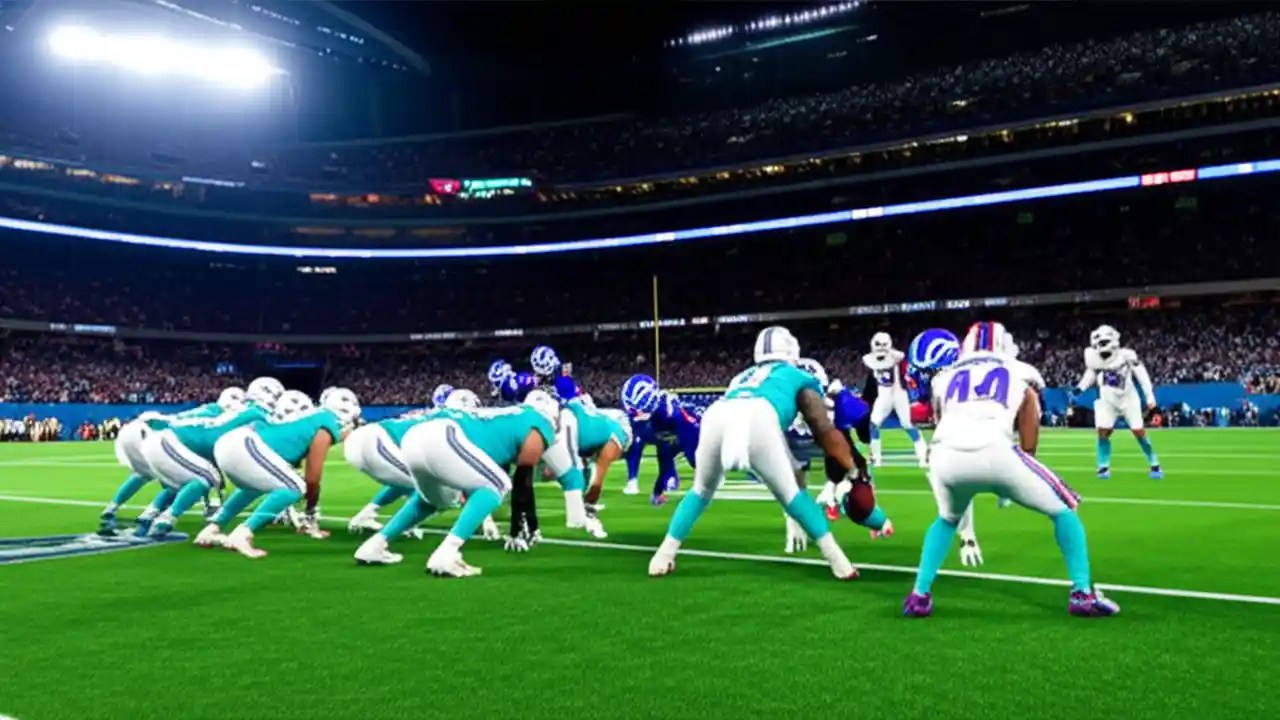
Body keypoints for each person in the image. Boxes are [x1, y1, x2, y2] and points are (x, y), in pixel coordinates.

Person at [903, 321, 1119, 618]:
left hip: (944, 458)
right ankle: (1082, 593)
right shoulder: (1021, 370)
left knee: (946, 519)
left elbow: (940, 422)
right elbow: (1029, 423)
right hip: (997, 453)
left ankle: (919, 595)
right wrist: (1019, 469)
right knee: (1064, 509)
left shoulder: (945, 377)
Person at [648, 326, 863, 581]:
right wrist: (852, 468)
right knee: (792, 497)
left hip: (717, 414)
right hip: (759, 416)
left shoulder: (741, 377)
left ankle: (664, 554)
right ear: (791, 350)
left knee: (701, 492)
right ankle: (840, 562)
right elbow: (821, 426)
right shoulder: (798, 375)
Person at [399, 390, 559, 577]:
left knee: (439, 500)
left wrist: (489, 520)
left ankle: (377, 543)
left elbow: (478, 478)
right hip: (445, 438)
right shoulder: (540, 424)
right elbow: (522, 481)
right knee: (499, 484)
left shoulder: (509, 419)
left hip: (416, 437)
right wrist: (518, 529)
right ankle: (446, 553)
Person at [195, 389, 360, 558]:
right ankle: (243, 533)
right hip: (247, 444)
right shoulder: (327, 424)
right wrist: (310, 511)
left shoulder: (311, 418)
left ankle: (211, 529)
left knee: (253, 486)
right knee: (295, 487)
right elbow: (312, 478)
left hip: (232, 443)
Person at [1075, 325, 1162, 479]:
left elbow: (1142, 376)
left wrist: (1150, 400)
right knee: (1103, 432)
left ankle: (1154, 463)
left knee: (1138, 432)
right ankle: (1103, 466)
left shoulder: (1127, 355)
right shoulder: (1094, 359)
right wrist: (1080, 388)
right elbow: (1090, 374)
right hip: (1107, 399)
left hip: (1128, 398)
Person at [862, 333, 929, 467]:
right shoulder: (870, 359)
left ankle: (923, 454)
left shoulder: (896, 356)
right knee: (873, 424)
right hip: (883, 395)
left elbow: (900, 358)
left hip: (899, 394)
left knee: (907, 425)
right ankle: (876, 458)